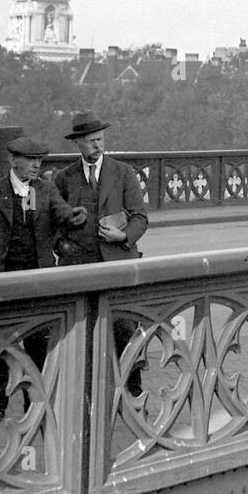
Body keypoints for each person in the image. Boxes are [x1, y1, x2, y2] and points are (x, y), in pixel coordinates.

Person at [0, 136, 88, 422]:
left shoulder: (45, 191)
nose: (37, 165)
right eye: (31, 159)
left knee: (38, 345)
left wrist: (74, 216)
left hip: (36, 281)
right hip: (2, 281)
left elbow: (62, 213)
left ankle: (34, 405)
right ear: (13, 160)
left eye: (39, 160)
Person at [52, 111, 151, 397]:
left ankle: (132, 389)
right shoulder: (64, 178)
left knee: (123, 326)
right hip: (80, 267)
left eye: (100, 140)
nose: (97, 146)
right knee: (82, 331)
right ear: (78, 144)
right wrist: (65, 248)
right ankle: (87, 393)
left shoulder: (122, 172)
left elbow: (140, 218)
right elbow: (56, 227)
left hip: (117, 261)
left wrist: (124, 236)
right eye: (91, 141)